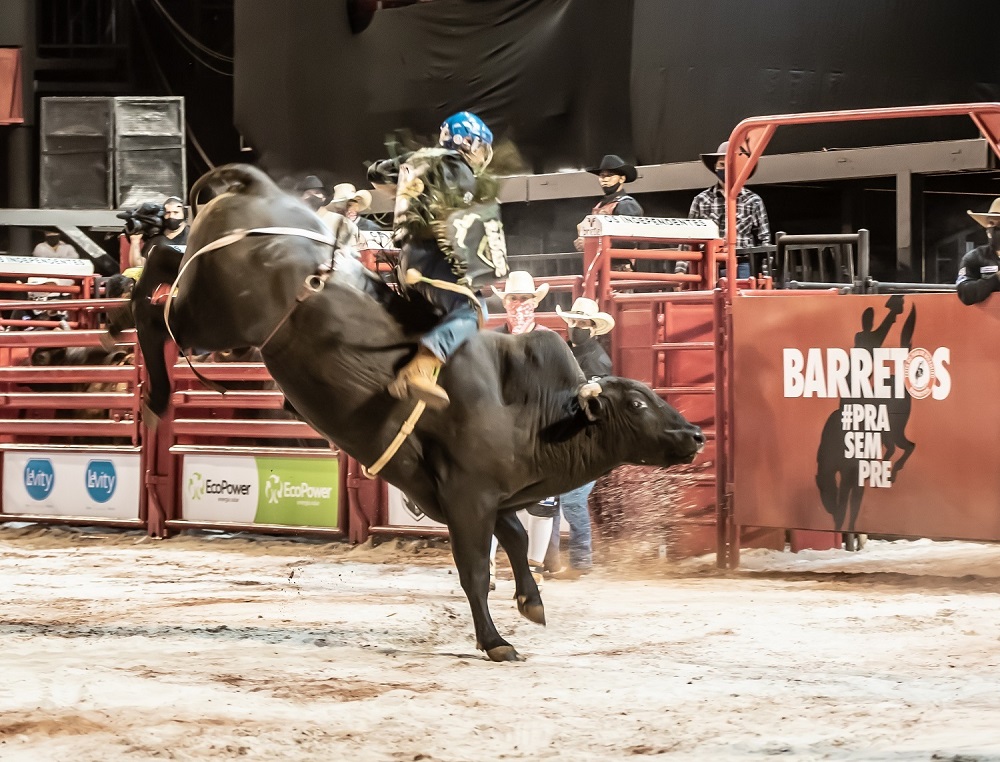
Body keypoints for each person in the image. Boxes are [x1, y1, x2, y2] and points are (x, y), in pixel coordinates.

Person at [369, 110, 508, 410]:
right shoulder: (457, 166)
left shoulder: (416, 159)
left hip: (405, 260)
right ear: (467, 142)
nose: (482, 155)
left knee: (425, 318)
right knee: (473, 309)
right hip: (433, 258)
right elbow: (463, 219)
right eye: (481, 146)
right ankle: (421, 366)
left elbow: (376, 173)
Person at [487, 271, 554, 588]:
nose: (519, 304)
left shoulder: (548, 341)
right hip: (500, 431)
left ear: (534, 302)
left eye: (524, 299)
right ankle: (485, 567)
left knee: (542, 501)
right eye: (514, 298)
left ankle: (534, 567)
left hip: (538, 429)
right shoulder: (494, 340)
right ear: (506, 302)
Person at [544, 296, 615, 578]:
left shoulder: (597, 361)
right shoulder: (570, 353)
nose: (576, 326)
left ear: (593, 328)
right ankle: (552, 560)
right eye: (573, 321)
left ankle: (579, 561)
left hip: (586, 441)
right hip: (569, 438)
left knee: (569, 501)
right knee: (550, 501)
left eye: (582, 322)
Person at [688, 141, 771, 277]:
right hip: (711, 263)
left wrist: (766, 272)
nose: (726, 168)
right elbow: (689, 238)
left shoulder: (753, 200)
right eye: (722, 164)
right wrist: (681, 270)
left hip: (743, 262)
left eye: (731, 163)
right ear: (715, 167)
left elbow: (764, 239)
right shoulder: (701, 200)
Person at [574, 154, 644, 261]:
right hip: (601, 264)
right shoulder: (601, 205)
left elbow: (627, 239)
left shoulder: (627, 205)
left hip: (619, 265)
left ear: (622, 179)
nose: (605, 179)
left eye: (610, 175)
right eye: (602, 176)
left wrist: (590, 243)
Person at [957, 198, 1000, 306]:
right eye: (991, 223)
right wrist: (996, 279)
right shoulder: (975, 257)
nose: (995, 229)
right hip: (987, 321)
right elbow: (965, 293)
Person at [128, 196, 189, 269]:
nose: (171, 216)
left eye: (176, 212)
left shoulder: (192, 235)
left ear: (184, 214)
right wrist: (135, 241)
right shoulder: (156, 238)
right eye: (168, 213)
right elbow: (138, 266)